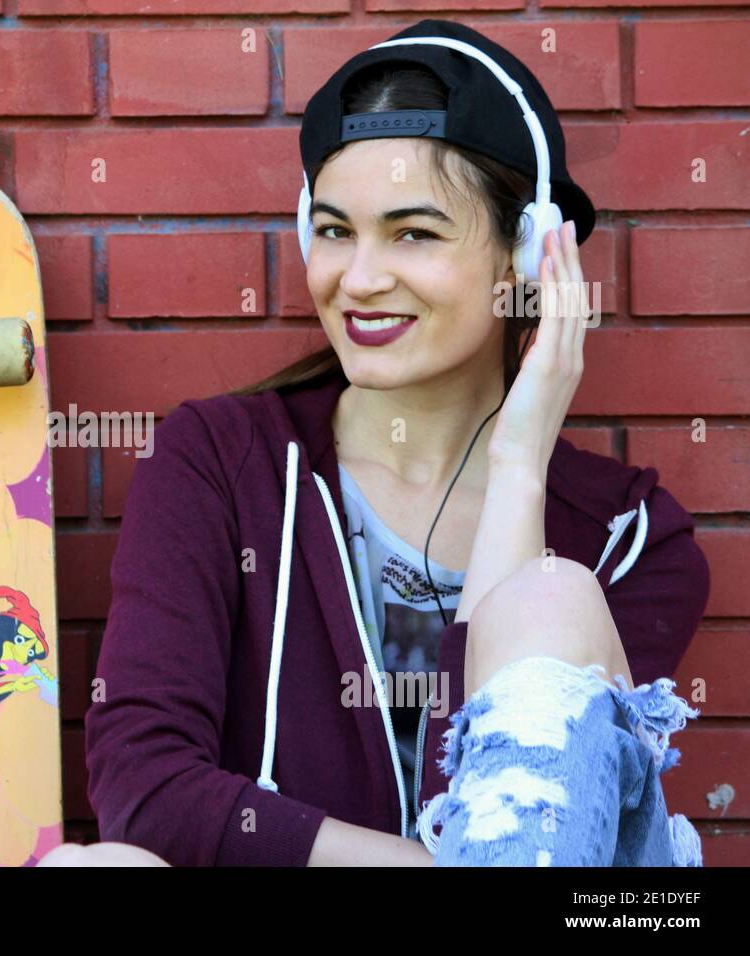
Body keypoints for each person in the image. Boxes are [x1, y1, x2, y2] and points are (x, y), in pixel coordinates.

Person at [53, 19, 711, 867]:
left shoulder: (633, 539)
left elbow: (493, 811)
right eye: (333, 231)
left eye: (414, 234)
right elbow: (144, 795)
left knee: (547, 597)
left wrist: (518, 468)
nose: (358, 280)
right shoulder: (218, 463)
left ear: (526, 255)